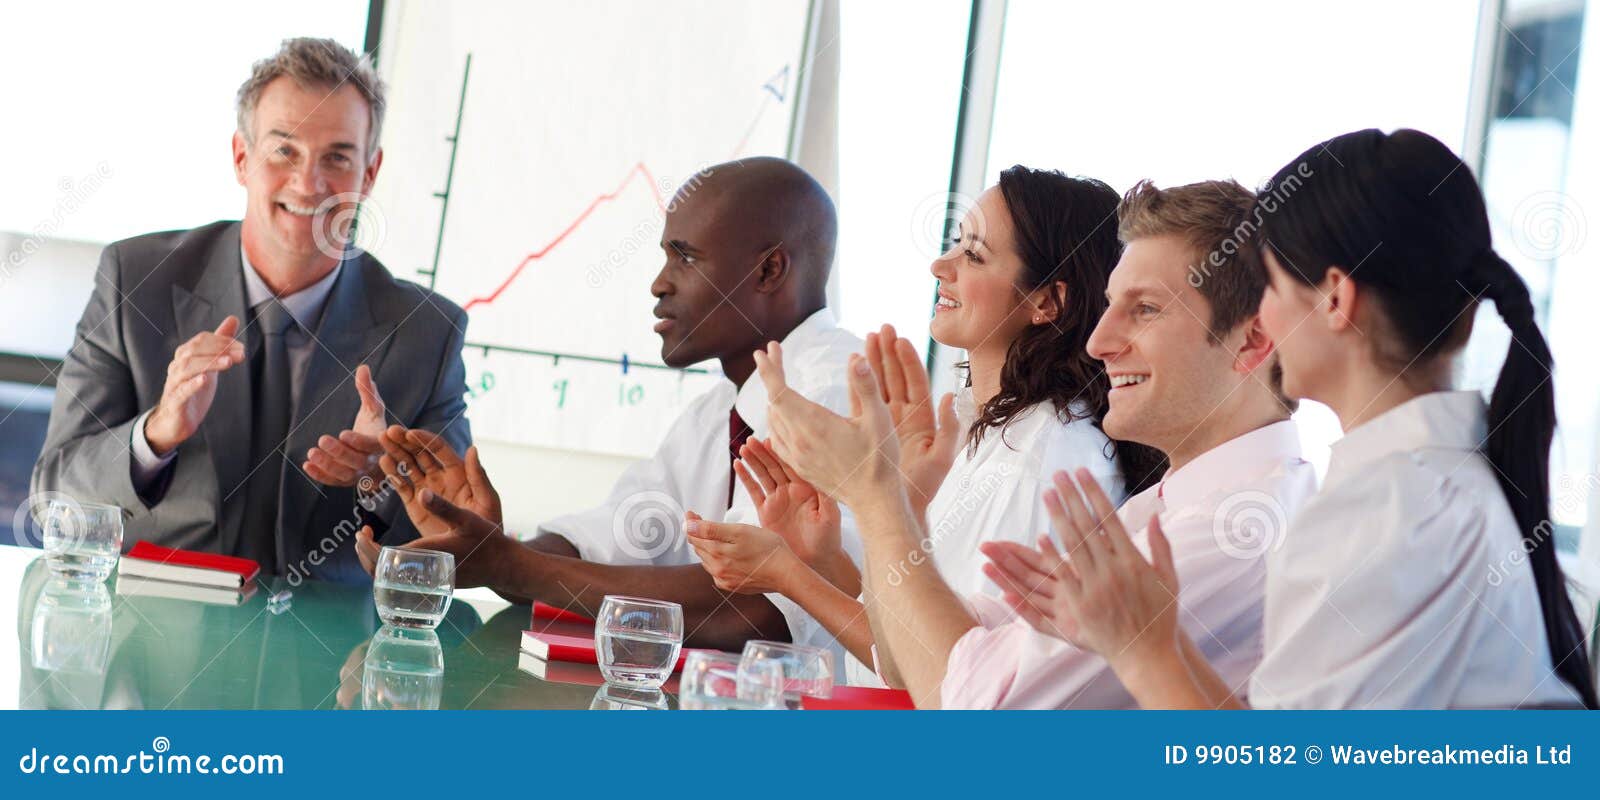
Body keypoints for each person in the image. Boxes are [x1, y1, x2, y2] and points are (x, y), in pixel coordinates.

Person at [990, 129, 1599, 709]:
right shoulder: (1424, 484)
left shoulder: (1389, 506)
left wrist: (1142, 649)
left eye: (1272, 289)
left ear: (1334, 300)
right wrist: (1148, 638)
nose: (1264, 325)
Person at [754, 179, 1317, 707]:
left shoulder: (1233, 530)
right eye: (1112, 306)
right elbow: (914, 657)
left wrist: (876, 497)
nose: (1099, 341)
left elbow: (971, 707)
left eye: (1145, 309)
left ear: (1252, 342)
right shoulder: (1168, 508)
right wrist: (895, 504)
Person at [357, 157, 866, 652]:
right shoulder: (715, 413)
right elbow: (607, 545)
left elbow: (756, 608)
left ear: (768, 270)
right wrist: (484, 546)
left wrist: (507, 564)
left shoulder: (835, 394)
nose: (659, 283)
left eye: (686, 258)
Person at [683, 166, 1166, 683]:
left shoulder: (1044, 451)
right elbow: (909, 627)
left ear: (1046, 302)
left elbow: (955, 673)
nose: (940, 264)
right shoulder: (995, 430)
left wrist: (791, 574)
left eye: (973, 255)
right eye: (956, 243)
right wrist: (820, 559)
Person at [31, 38, 470, 582]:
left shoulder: (428, 332)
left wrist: (379, 480)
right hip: (160, 622)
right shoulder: (135, 280)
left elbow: (458, 543)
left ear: (369, 173)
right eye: (284, 151)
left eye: (337, 157)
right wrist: (156, 434)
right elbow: (53, 499)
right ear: (242, 158)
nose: (308, 183)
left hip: (329, 634)